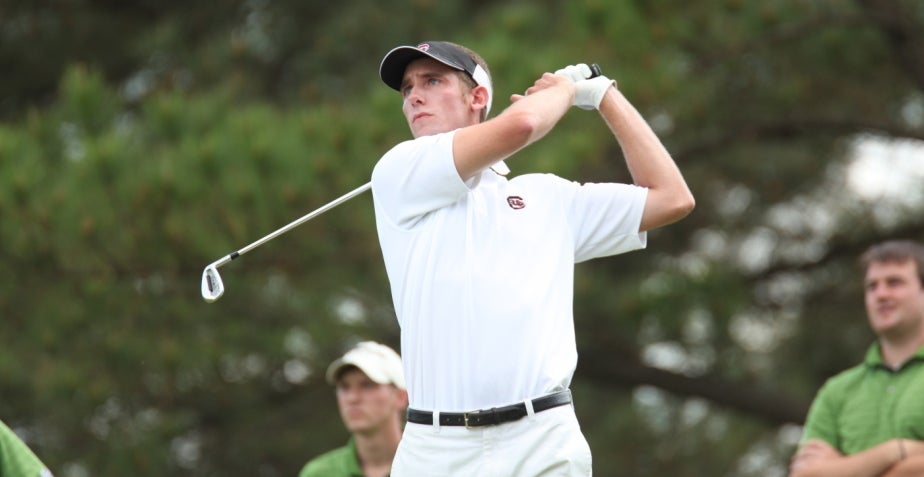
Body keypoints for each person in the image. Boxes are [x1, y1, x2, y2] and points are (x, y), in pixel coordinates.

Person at [370, 40, 695, 476]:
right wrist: (563, 90)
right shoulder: (398, 171)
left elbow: (672, 198)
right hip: (434, 449)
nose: (414, 96)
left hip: (542, 439)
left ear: (478, 98)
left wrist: (603, 95)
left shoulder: (547, 196)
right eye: (407, 88)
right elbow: (523, 123)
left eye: (432, 81)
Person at [789, 240, 924, 477]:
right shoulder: (836, 391)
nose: (881, 294)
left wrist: (841, 469)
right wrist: (894, 451)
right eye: (872, 286)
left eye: (895, 282)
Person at [298, 341, 407, 477]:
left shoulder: (431, 466)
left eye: (367, 385)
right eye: (344, 386)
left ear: (401, 396)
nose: (352, 398)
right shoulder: (318, 473)